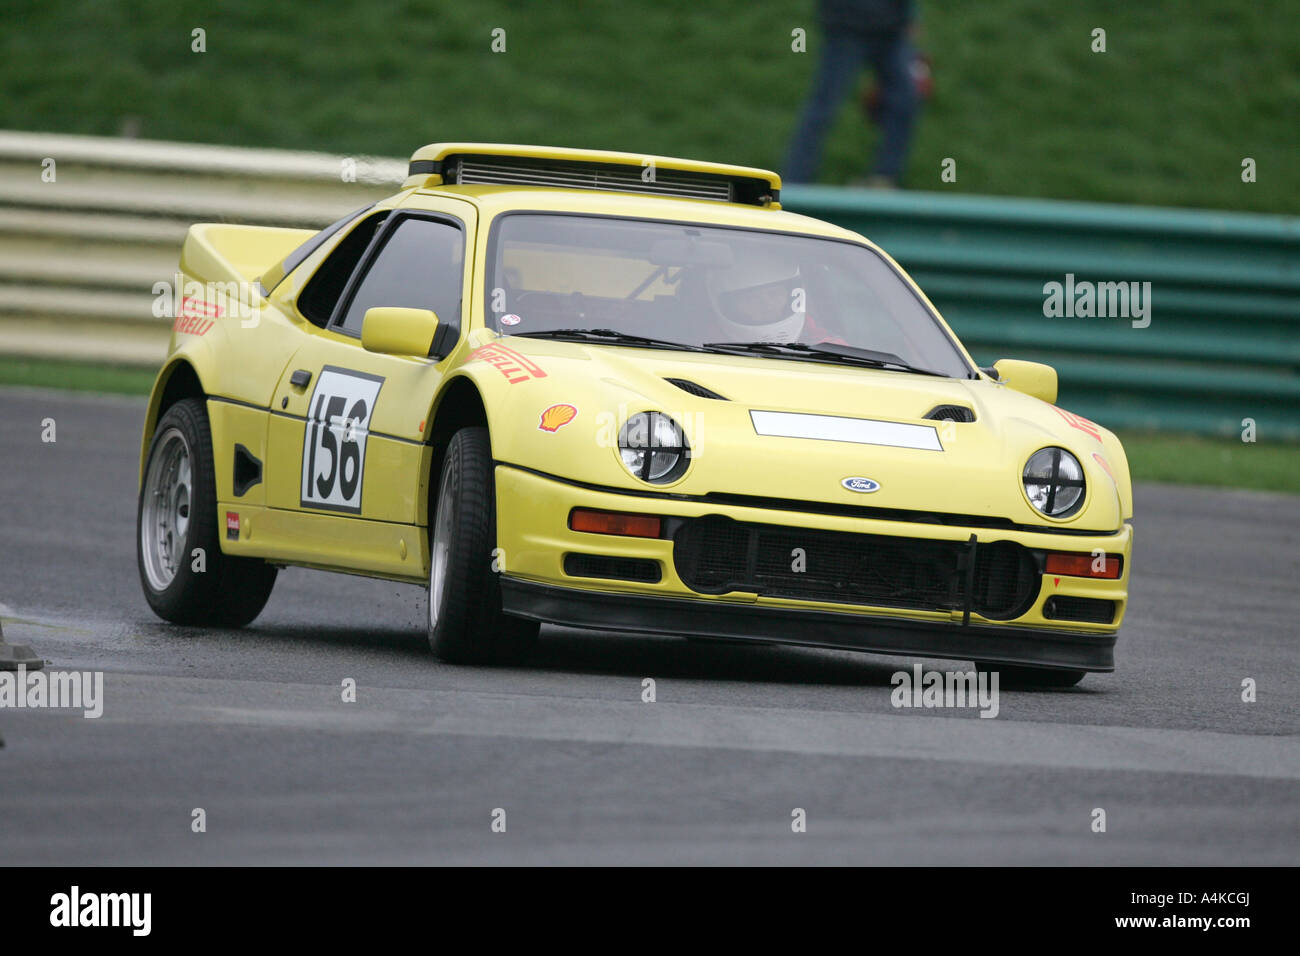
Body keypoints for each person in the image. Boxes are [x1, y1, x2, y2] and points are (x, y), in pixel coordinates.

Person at [783, 0, 920, 188]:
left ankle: (883, 177)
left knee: (906, 99)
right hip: (847, 28)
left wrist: (909, 15)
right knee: (823, 106)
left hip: (890, 29)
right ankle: (795, 180)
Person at [704, 255, 843, 344]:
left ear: (790, 296)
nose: (767, 304)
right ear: (731, 306)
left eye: (774, 294)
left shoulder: (830, 347)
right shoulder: (702, 350)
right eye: (752, 298)